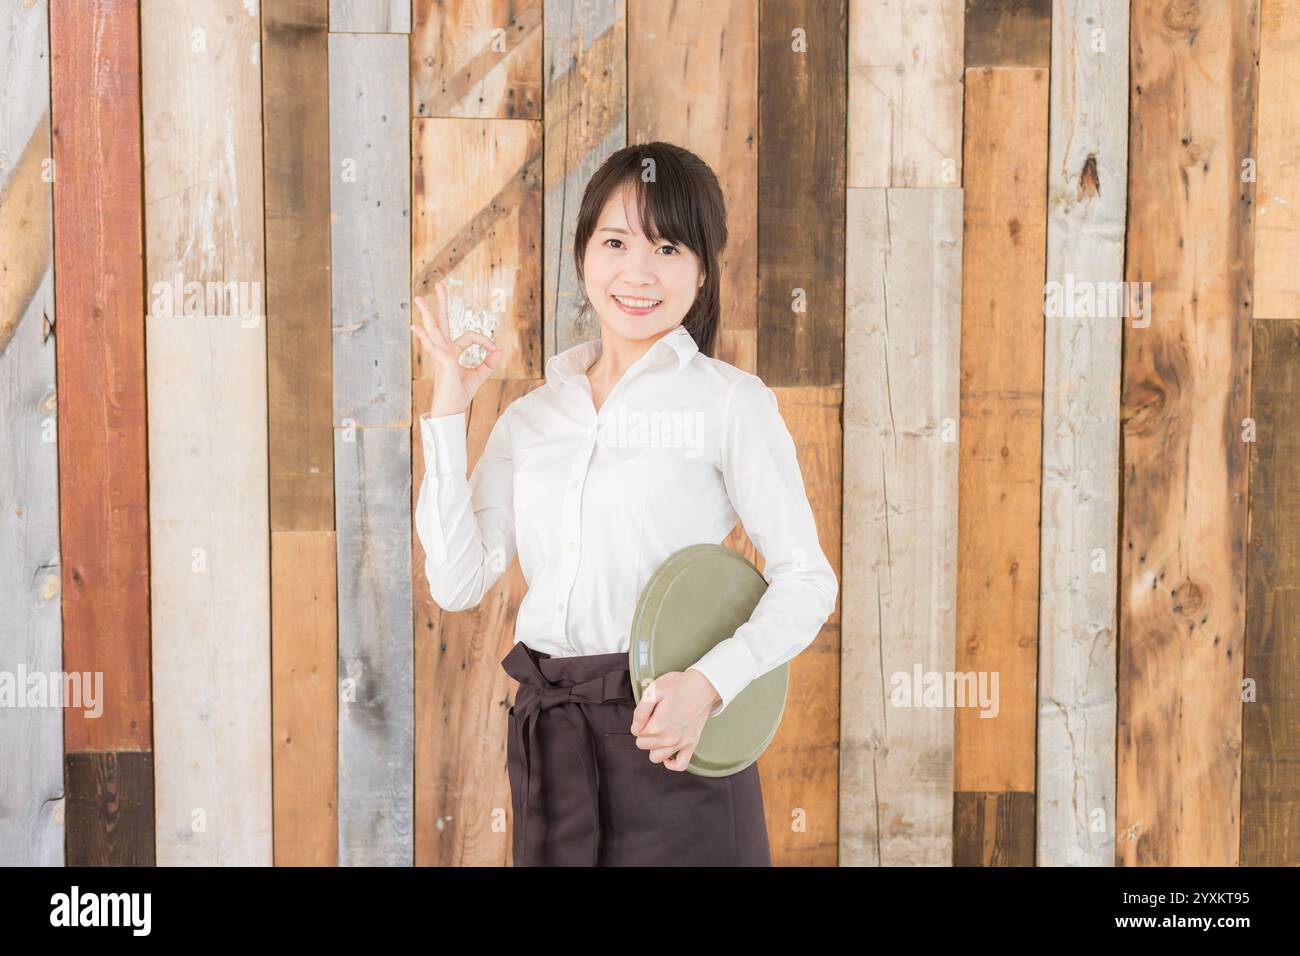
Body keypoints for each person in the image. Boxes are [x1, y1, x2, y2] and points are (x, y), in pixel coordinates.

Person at [410, 142, 838, 866]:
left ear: (700, 272)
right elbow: (456, 582)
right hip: (554, 742)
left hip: (671, 735)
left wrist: (708, 685)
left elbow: (807, 579)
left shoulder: (729, 404)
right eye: (615, 242)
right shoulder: (532, 419)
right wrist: (449, 410)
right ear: (584, 256)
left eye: (668, 247)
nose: (638, 272)